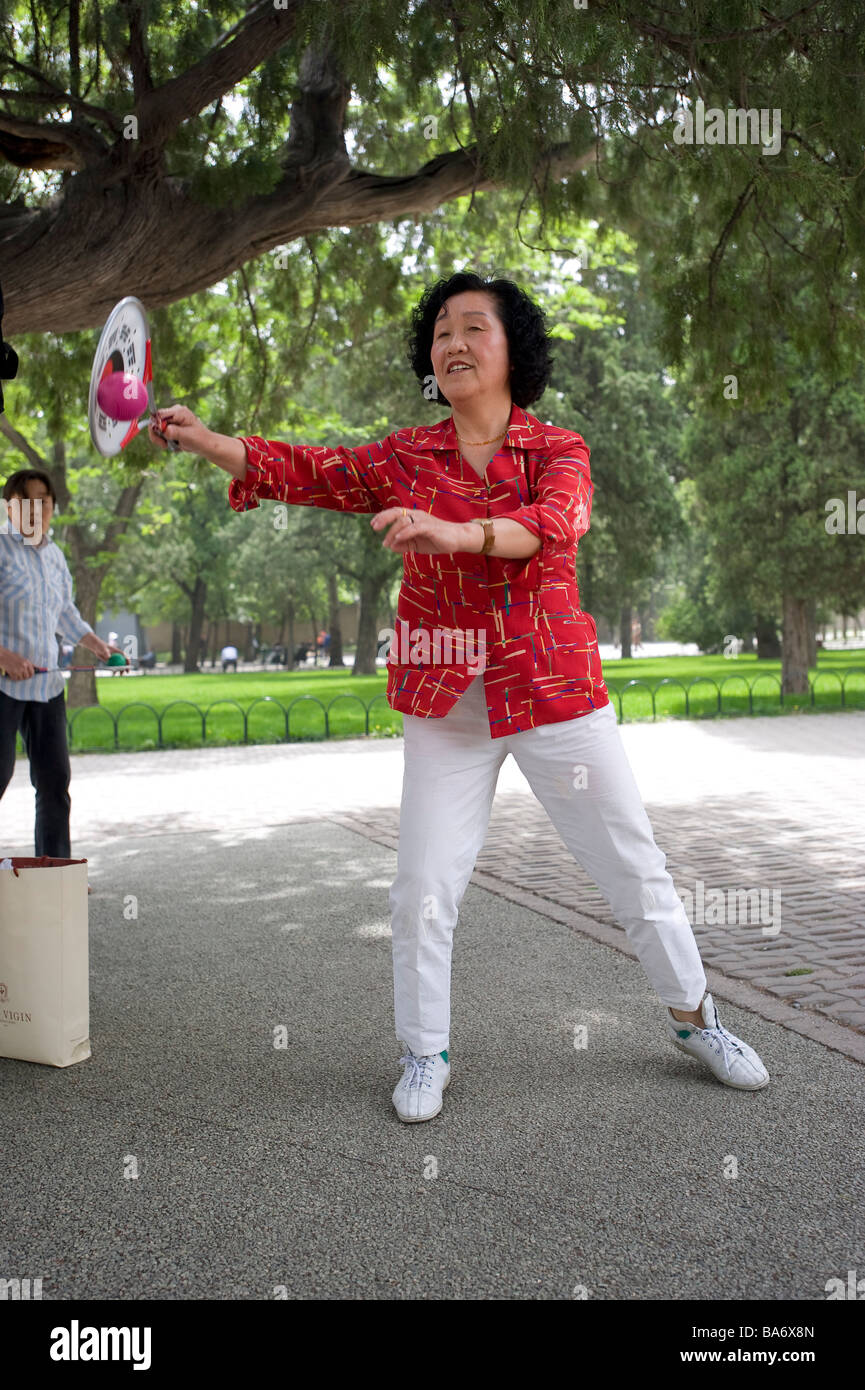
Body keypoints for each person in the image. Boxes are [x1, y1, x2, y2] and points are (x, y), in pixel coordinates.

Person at [148, 271, 769, 1123]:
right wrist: (207, 439)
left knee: (632, 867)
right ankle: (424, 1052)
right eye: (441, 331)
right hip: (447, 701)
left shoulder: (559, 450)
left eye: (475, 326)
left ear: (514, 351)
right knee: (422, 887)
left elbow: (553, 526)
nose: (454, 342)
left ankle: (698, 1023)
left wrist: (458, 531)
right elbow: (309, 469)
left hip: (552, 692)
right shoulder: (406, 456)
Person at [0, 468, 117, 865]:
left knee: (54, 784)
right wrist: (4, 657)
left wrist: (98, 645)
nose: (38, 509)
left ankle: (56, 873)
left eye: (44, 502)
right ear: (11, 506)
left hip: (47, 688)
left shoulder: (54, 556)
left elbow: (65, 612)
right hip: (3, 686)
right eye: (28, 501)